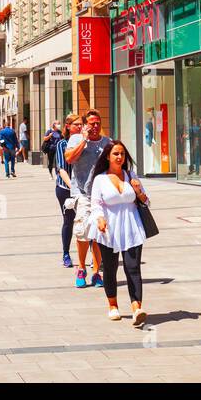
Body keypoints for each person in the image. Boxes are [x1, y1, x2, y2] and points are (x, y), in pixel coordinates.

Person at [89, 140, 150, 327]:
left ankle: (136, 308)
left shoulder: (131, 176)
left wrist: (139, 191)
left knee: (133, 268)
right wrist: (99, 219)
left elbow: (146, 202)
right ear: (108, 156)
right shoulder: (100, 179)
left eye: (122, 154)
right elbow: (96, 204)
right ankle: (113, 305)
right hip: (109, 229)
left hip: (132, 227)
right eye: (116, 153)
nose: (119, 157)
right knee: (110, 268)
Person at [67, 108, 113, 289]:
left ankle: (96, 272)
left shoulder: (107, 142)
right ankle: (81, 267)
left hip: (101, 195)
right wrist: (84, 140)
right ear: (85, 125)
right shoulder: (76, 139)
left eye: (98, 124)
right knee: (83, 232)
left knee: (99, 233)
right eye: (92, 123)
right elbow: (69, 159)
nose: (95, 127)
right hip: (82, 192)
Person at [53, 114, 81, 267]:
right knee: (69, 220)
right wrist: (73, 187)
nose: (80, 127)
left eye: (81, 124)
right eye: (76, 124)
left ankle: (94, 255)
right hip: (65, 188)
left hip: (83, 189)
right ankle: (66, 254)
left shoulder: (85, 143)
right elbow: (62, 169)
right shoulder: (62, 144)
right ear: (68, 126)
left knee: (87, 220)